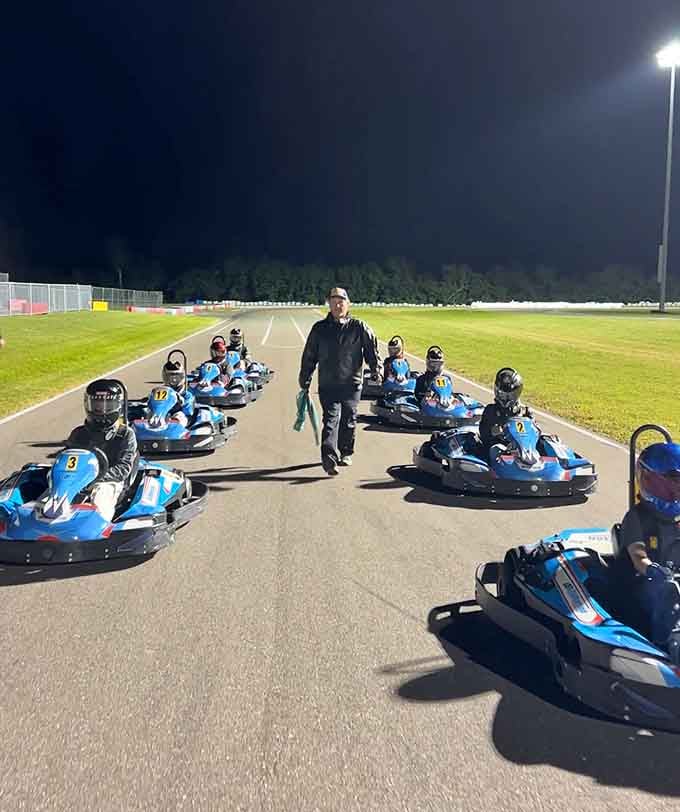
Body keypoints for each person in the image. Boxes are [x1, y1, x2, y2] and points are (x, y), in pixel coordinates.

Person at [299, 286, 380, 475]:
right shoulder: (319, 329)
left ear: (348, 303)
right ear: (329, 303)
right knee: (330, 420)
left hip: (352, 384)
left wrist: (377, 369)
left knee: (349, 420)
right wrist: (305, 377)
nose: (337, 304)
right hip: (328, 384)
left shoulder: (359, 327)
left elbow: (371, 350)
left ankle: (346, 452)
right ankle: (329, 459)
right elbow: (309, 355)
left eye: (341, 300)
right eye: (334, 300)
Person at [618, 441, 680, 662]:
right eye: (670, 483)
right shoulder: (637, 517)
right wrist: (652, 569)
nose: (674, 491)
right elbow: (637, 555)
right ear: (647, 479)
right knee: (669, 591)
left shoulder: (677, 520)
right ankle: (670, 651)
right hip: (644, 583)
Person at [65, 380, 138, 520]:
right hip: (78, 479)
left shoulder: (125, 434)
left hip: (108, 481)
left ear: (118, 406)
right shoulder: (79, 433)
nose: (102, 410)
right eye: (97, 406)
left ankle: (98, 524)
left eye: (107, 405)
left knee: (100, 497)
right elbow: (67, 458)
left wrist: (95, 478)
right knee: (53, 495)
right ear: (88, 404)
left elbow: (123, 468)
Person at [478, 367, 532, 457]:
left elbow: (535, 432)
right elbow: (483, 434)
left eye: (510, 395)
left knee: (545, 442)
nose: (506, 398)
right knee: (495, 448)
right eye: (502, 394)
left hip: (524, 451)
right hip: (499, 454)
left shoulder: (525, 412)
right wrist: (493, 431)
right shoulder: (491, 410)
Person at [161, 359, 195, 426]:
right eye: (170, 377)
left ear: (182, 377)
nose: (174, 380)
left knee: (179, 415)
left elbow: (188, 412)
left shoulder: (186, 395)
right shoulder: (162, 392)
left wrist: (180, 402)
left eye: (176, 377)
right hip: (162, 416)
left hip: (180, 419)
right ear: (165, 377)